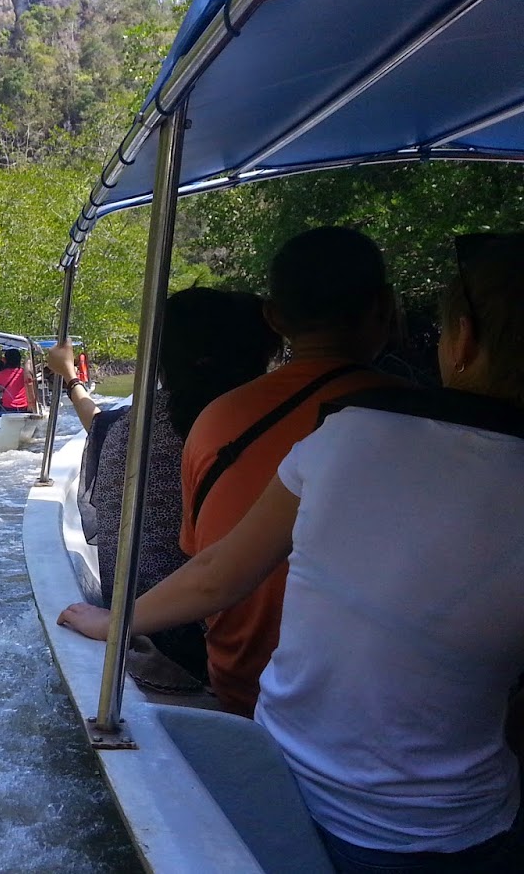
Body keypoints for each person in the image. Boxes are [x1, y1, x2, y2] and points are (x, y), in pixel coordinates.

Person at [60, 235, 524, 871]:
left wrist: (114, 622)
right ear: (385, 311)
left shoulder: (352, 429)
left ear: (463, 341)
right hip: (477, 822)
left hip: (301, 782)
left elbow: (214, 573)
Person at [107, 227, 406, 717]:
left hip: (239, 681)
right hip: (378, 704)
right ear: (385, 306)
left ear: (276, 317)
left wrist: (112, 622)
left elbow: (206, 565)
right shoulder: (416, 416)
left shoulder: (211, 419)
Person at [51, 288, 278, 681]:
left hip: (145, 622)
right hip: (206, 637)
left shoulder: (135, 424)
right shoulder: (254, 423)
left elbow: (97, 423)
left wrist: (71, 378)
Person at [0, 348, 32, 413]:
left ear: (5, 360)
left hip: (7, 408)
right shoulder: (24, 373)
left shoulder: (1, 374)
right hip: (24, 407)